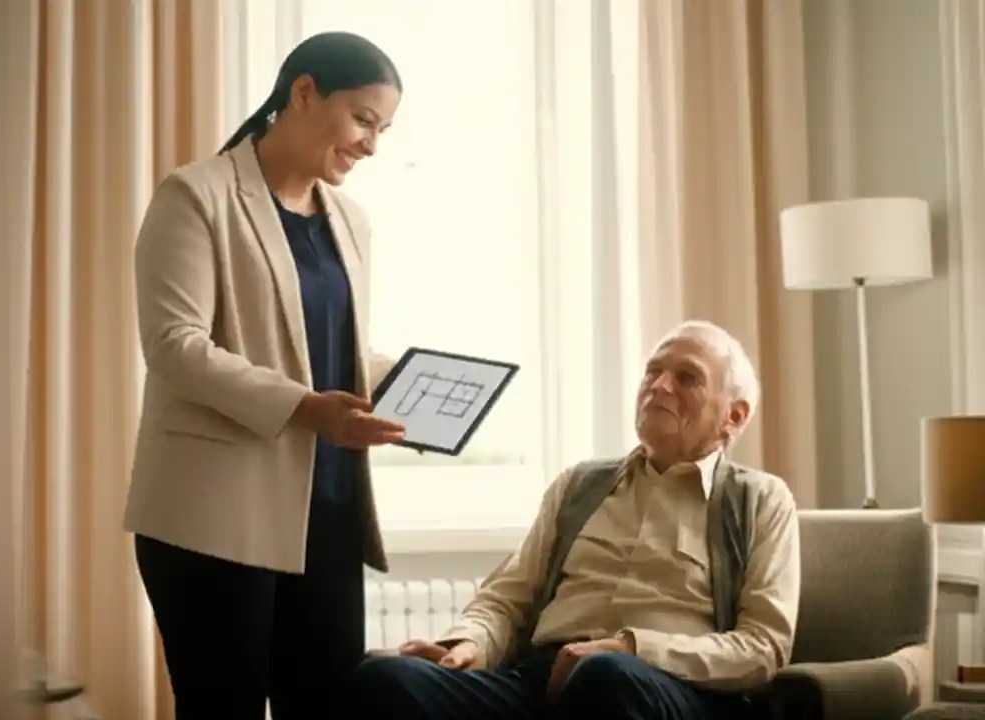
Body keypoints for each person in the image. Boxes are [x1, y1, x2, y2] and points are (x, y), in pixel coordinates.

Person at [123, 31, 407, 720]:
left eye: (384, 129)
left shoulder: (351, 220)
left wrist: (408, 383)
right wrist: (311, 407)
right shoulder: (196, 195)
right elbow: (175, 346)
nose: (372, 144)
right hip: (213, 517)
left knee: (330, 706)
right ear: (303, 93)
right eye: (364, 120)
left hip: (328, 515)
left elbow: (329, 354)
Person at [351, 320, 801, 720]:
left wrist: (631, 647)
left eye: (687, 378)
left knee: (607, 677)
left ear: (733, 416)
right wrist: (468, 645)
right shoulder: (579, 484)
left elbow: (762, 648)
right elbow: (507, 599)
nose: (660, 386)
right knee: (387, 678)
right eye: (653, 372)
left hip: (666, 688)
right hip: (542, 680)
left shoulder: (759, 500)